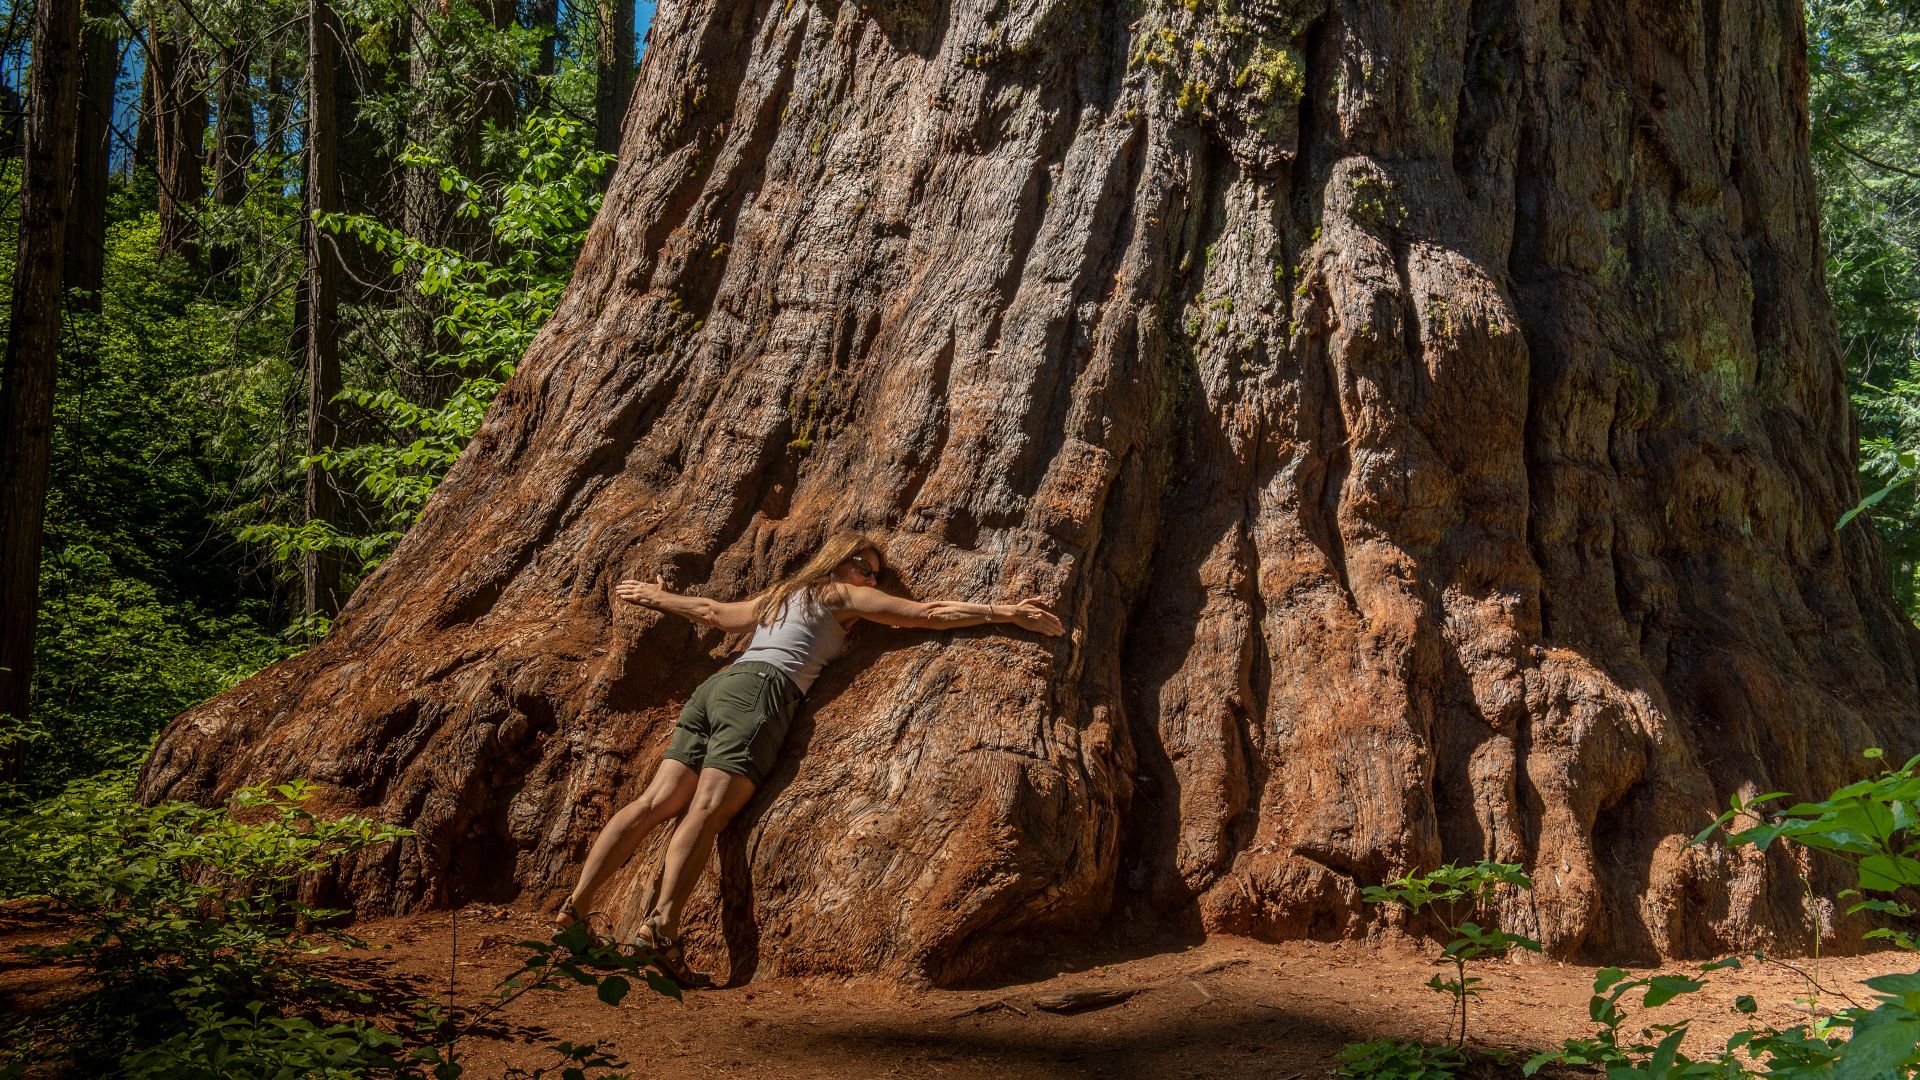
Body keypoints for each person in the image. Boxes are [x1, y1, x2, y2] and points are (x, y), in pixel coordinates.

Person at [553, 531, 1066, 986]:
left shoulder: (784, 594)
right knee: (707, 811)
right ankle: (661, 928)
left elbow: (715, 613)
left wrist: (656, 596)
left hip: (719, 686)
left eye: (875, 573)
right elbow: (928, 614)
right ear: (840, 563)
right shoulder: (844, 593)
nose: (869, 577)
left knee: (654, 803)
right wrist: (1007, 612)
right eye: (863, 567)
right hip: (762, 691)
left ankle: (573, 911)